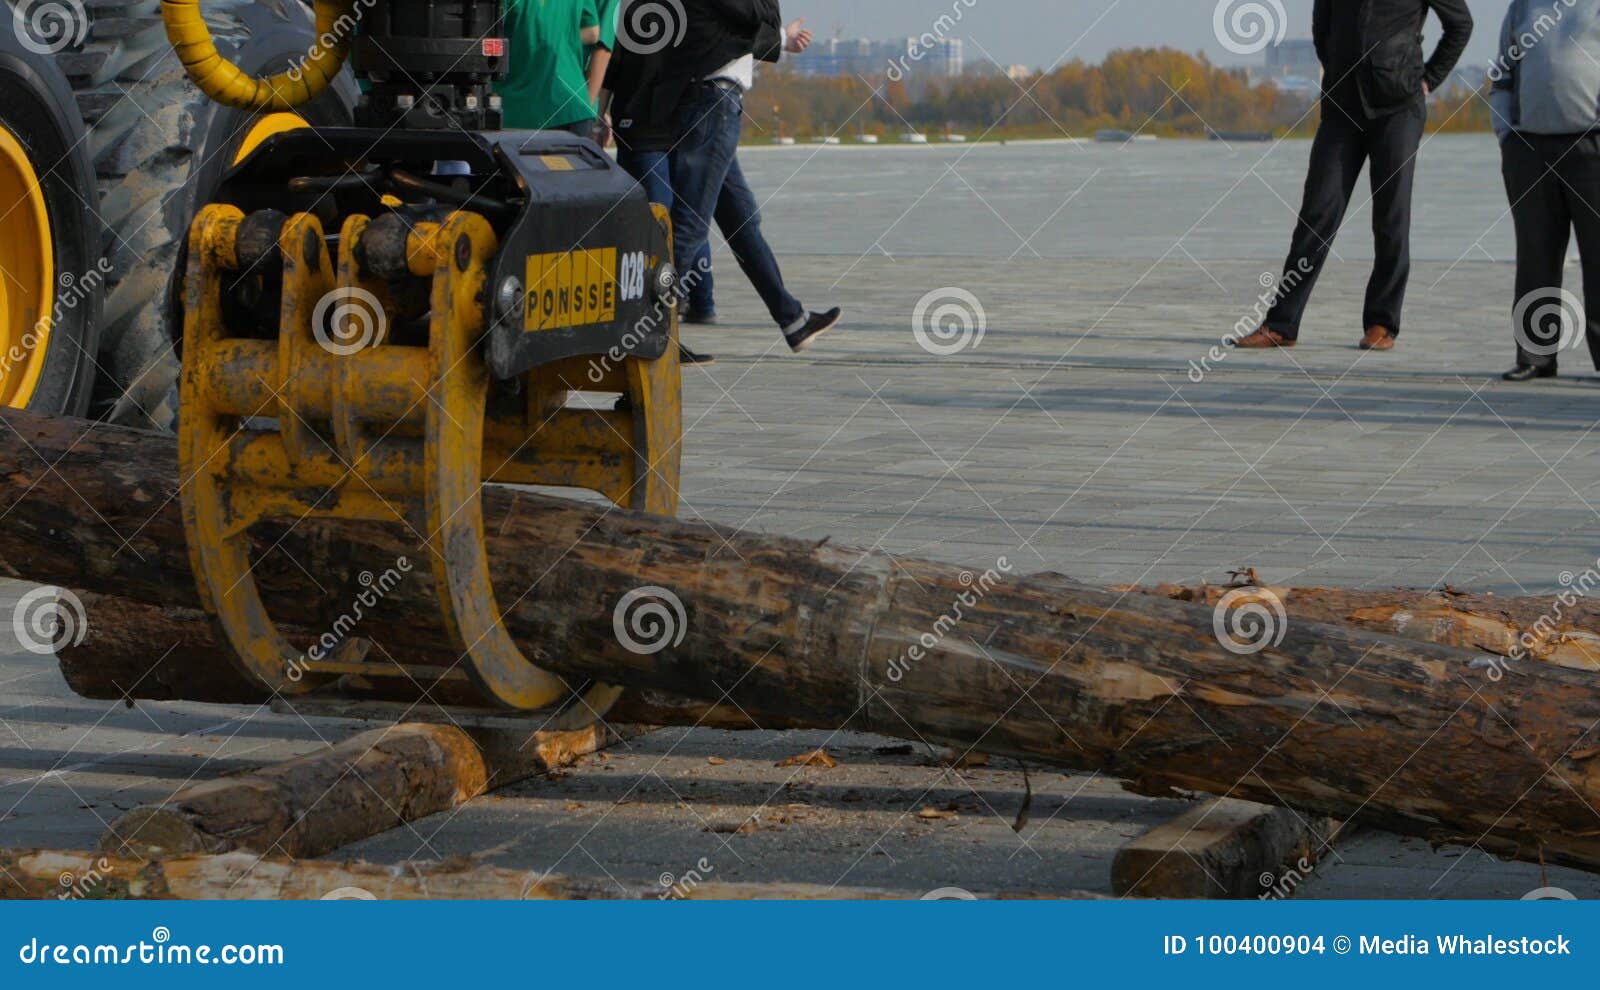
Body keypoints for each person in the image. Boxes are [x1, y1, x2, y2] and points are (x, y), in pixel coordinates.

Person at [1234, 0, 1472, 352]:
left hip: (1398, 108)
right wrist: (1340, 68)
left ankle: (1381, 322)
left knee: (1391, 216)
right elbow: (1322, 28)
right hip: (1342, 107)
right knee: (1317, 213)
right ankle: (1282, 323)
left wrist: (1427, 79)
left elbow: (1460, 24)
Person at [660, 1, 841, 362]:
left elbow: (740, 32)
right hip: (711, 104)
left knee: (742, 222)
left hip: (715, 103)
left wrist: (782, 40)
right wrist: (781, 37)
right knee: (689, 227)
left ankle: (793, 319)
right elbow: (751, 20)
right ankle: (646, 330)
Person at [1492, 0, 1600, 382]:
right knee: (1535, 255)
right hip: (1529, 150)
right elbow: (1503, 73)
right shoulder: (1523, 6)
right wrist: (1507, 135)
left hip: (1592, 148)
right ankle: (1535, 356)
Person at [602, 35, 717, 324]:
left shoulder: (629, 19)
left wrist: (598, 115)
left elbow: (610, 74)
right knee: (687, 214)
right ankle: (701, 300)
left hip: (641, 127)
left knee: (658, 217)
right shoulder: (686, 18)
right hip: (679, 123)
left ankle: (663, 301)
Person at [498, 0, 603, 136]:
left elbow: (485, 35)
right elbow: (592, 33)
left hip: (519, 108)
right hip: (573, 104)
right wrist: (561, 39)